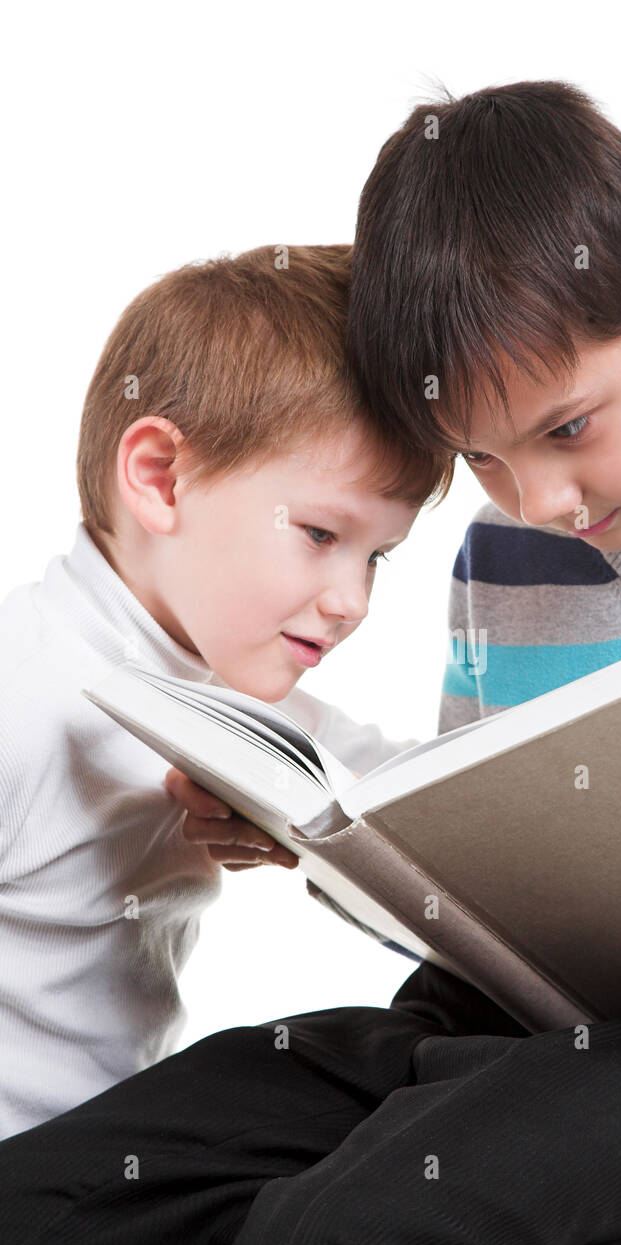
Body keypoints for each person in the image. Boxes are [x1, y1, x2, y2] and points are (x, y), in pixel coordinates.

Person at [2, 80, 621, 1245]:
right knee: (52, 1213)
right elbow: (483, 871)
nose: (541, 504)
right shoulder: (505, 553)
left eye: (567, 429)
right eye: (483, 460)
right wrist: (319, 838)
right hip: (489, 1017)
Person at [0, 243, 441, 1140]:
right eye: (319, 533)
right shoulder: (26, 684)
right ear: (161, 478)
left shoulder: (241, 702)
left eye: (377, 556)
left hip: (100, 1181)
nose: (352, 602)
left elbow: (422, 799)